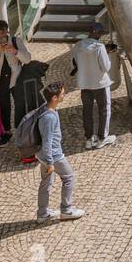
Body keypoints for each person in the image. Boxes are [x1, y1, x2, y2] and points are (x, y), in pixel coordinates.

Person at [36, 83, 84, 221]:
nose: (64, 94)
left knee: (46, 183)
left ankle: (42, 213)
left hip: (44, 155)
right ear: (55, 98)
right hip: (54, 156)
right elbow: (47, 141)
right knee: (68, 177)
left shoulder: (46, 110)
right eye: (62, 93)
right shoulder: (49, 117)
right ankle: (66, 210)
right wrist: (50, 162)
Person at [0, 19, 31, 144]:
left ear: (7, 31)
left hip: (16, 78)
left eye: (3, 33)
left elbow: (27, 59)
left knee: (20, 105)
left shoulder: (17, 41)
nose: (1, 36)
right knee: (4, 107)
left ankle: (23, 130)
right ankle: (6, 132)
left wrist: (15, 51)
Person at [71, 23, 116, 150]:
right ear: (95, 32)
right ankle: (103, 137)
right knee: (104, 110)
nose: (101, 35)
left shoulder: (78, 45)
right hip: (100, 84)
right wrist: (107, 54)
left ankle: (89, 139)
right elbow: (106, 67)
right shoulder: (99, 47)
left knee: (87, 111)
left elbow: (74, 62)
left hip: (84, 84)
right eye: (100, 33)